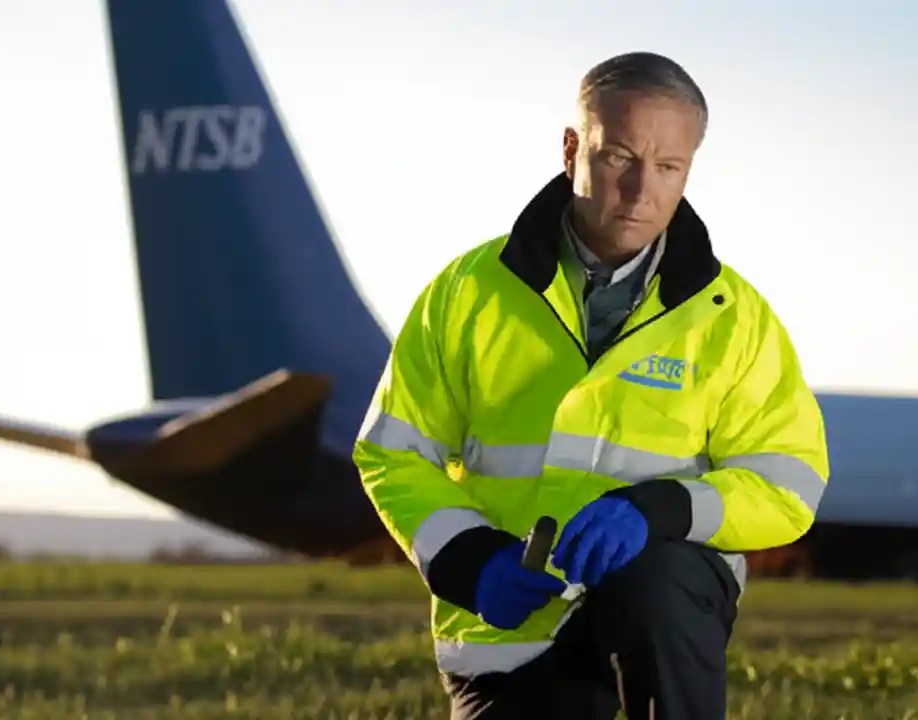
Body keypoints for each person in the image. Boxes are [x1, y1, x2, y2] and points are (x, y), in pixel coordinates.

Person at [352, 50, 829, 720]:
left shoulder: (736, 318)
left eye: (669, 168)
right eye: (619, 159)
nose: (641, 192)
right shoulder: (469, 292)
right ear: (572, 148)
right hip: (506, 632)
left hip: (660, 614)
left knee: (659, 579)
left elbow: (788, 483)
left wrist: (658, 511)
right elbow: (393, 452)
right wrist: (470, 559)